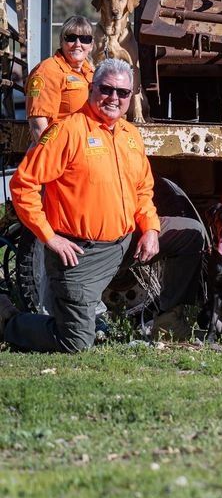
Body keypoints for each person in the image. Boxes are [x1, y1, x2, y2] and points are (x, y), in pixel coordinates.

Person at [0, 59, 204, 352]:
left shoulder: (130, 135)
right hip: (82, 253)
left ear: (130, 96)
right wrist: (49, 237)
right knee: (74, 341)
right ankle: (7, 320)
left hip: (125, 242)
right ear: (91, 88)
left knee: (190, 234)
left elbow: (142, 190)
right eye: (106, 89)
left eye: (122, 92)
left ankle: (169, 322)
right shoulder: (67, 131)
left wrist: (150, 229)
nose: (113, 98)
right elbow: (23, 184)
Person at [25, 15, 95, 142]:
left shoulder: (92, 72)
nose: (78, 44)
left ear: (91, 45)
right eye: (71, 38)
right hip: (63, 147)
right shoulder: (47, 71)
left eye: (85, 39)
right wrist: (55, 153)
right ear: (61, 41)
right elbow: (38, 127)